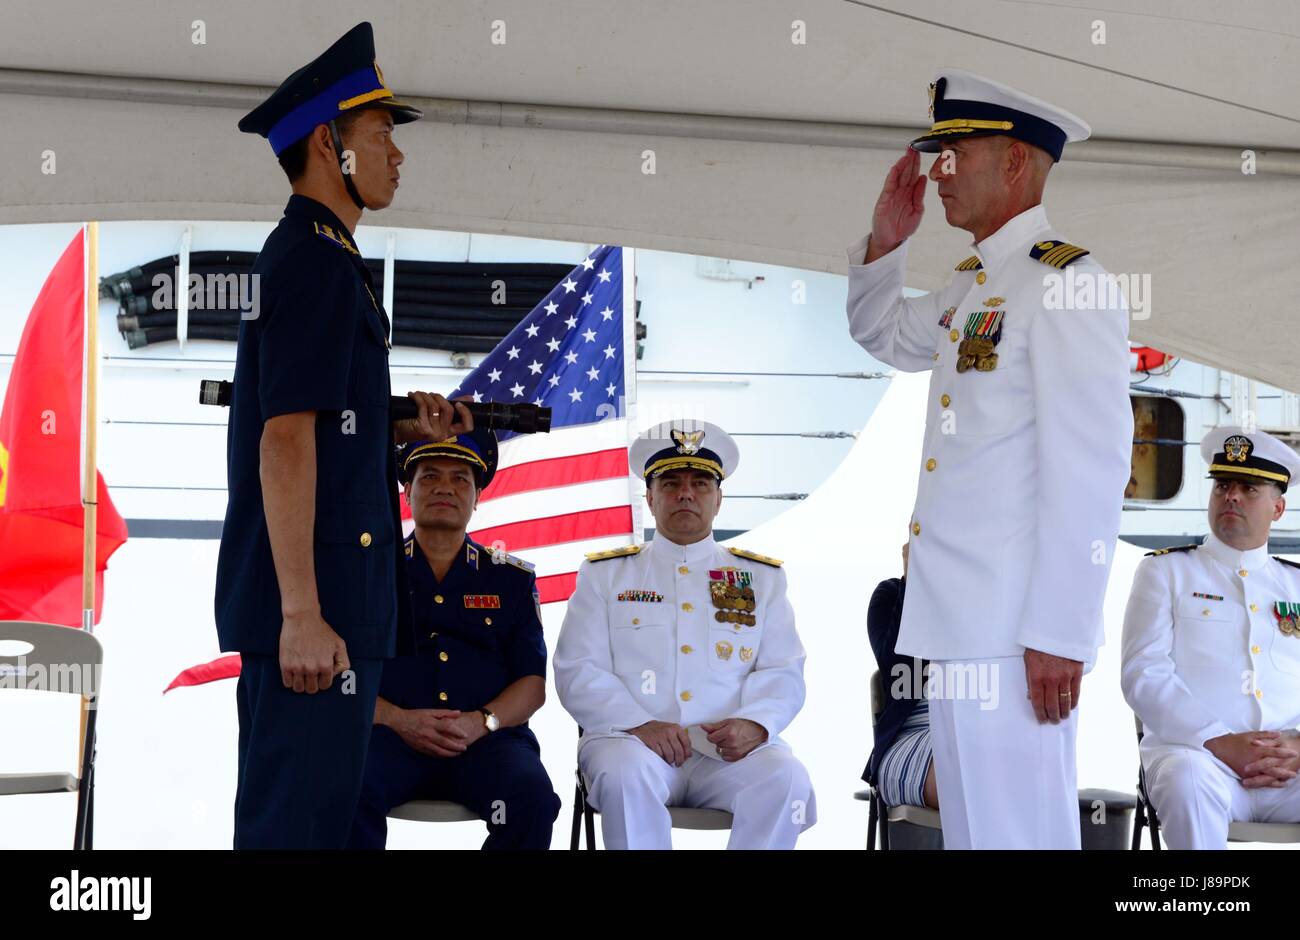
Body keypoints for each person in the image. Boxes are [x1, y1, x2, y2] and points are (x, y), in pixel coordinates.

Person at [843, 69, 1133, 848]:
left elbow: (1092, 469)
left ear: (1012, 163)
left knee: (1019, 835)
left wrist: (1062, 631)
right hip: (960, 622)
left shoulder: (1067, 284)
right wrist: (885, 246)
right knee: (978, 836)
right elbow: (882, 336)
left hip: (1018, 632)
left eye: (954, 153)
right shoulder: (973, 284)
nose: (939, 172)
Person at [216, 21, 472, 848]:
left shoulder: (323, 256)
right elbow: (282, 440)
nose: (398, 155)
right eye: (381, 135)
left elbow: (323, 424)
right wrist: (301, 613)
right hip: (314, 616)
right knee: (293, 830)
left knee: (318, 827)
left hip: (332, 609)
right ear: (330, 143)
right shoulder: (313, 260)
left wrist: (400, 420)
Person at [553, 420, 815, 849]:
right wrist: (639, 724)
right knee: (622, 775)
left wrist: (755, 723)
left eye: (701, 483)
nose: (686, 493)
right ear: (650, 497)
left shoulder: (760, 578)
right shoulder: (607, 574)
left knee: (786, 781)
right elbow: (577, 668)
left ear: (718, 499)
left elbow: (784, 669)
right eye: (670, 482)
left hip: (728, 755)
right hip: (633, 745)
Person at [348, 432, 560, 849]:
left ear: (478, 496)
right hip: (390, 739)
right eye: (429, 477)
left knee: (532, 799)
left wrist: (481, 722)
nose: (445, 487)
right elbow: (345, 672)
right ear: (407, 492)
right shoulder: (368, 574)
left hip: (486, 742)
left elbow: (532, 684)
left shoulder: (511, 579)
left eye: (461, 479)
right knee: (343, 790)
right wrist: (399, 720)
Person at [1122, 426, 1300, 848]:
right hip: (1200, 758)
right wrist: (1220, 741)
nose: (1231, 496)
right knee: (1187, 779)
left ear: (1278, 508)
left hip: (1288, 768)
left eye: (1248, 488)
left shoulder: (1295, 585)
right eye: (1222, 486)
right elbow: (1143, 675)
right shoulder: (1166, 573)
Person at [865, 542, 938, 811]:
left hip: (986, 728)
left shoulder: (993, 597)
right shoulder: (892, 594)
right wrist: (914, 587)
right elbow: (899, 672)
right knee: (970, 776)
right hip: (913, 734)